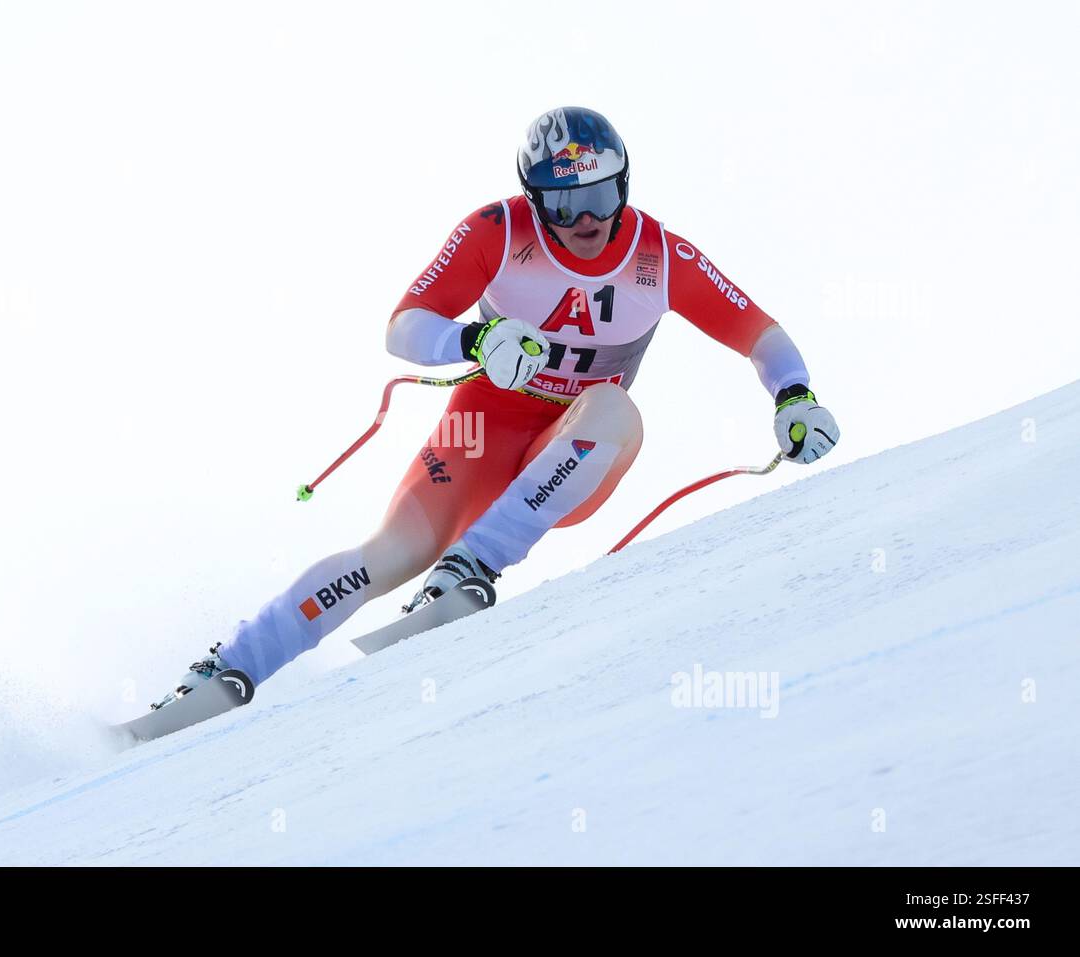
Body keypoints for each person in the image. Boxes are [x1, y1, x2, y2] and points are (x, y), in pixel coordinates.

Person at [159, 106, 839, 703]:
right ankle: (228, 667)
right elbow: (403, 324)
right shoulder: (497, 229)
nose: (588, 221)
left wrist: (795, 396)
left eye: (601, 196)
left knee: (613, 407)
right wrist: (474, 337)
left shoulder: (657, 254)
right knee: (390, 552)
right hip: (482, 429)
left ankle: (474, 565)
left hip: (572, 452)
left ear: (623, 185)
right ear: (534, 199)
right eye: (564, 204)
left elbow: (759, 332)